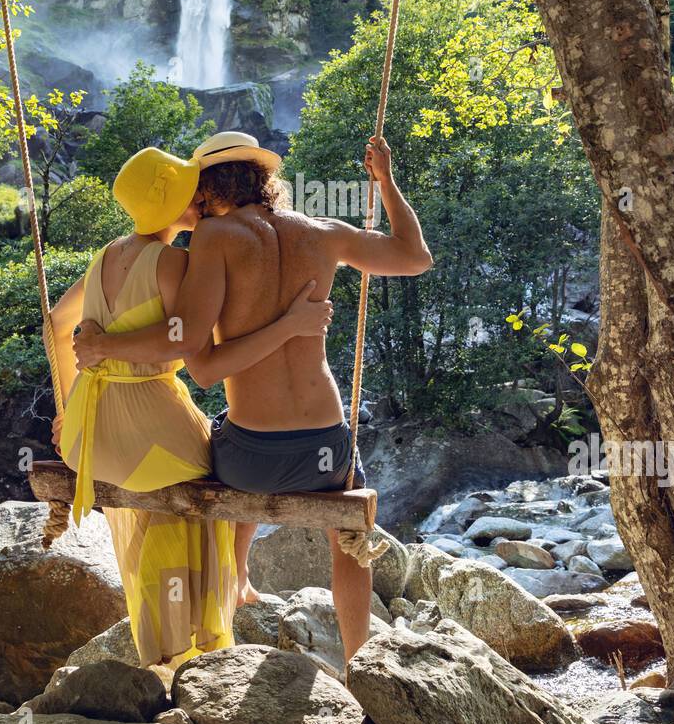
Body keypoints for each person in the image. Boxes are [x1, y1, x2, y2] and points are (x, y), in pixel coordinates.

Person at [74, 130, 432, 667]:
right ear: (265, 179)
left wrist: (103, 348)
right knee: (350, 537)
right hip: (323, 454)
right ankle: (360, 660)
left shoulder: (213, 239)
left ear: (206, 188)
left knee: (217, 437)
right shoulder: (321, 231)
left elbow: (203, 368)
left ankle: (236, 578)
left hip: (249, 461)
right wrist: (386, 182)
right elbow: (415, 257)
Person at [45, 144, 332, 670]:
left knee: (168, 502)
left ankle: (168, 635)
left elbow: (57, 325)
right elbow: (181, 341)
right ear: (172, 201)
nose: (201, 198)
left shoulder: (105, 255)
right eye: (190, 192)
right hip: (146, 429)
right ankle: (191, 642)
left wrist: (70, 407)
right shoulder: (174, 260)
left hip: (91, 437)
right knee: (213, 480)